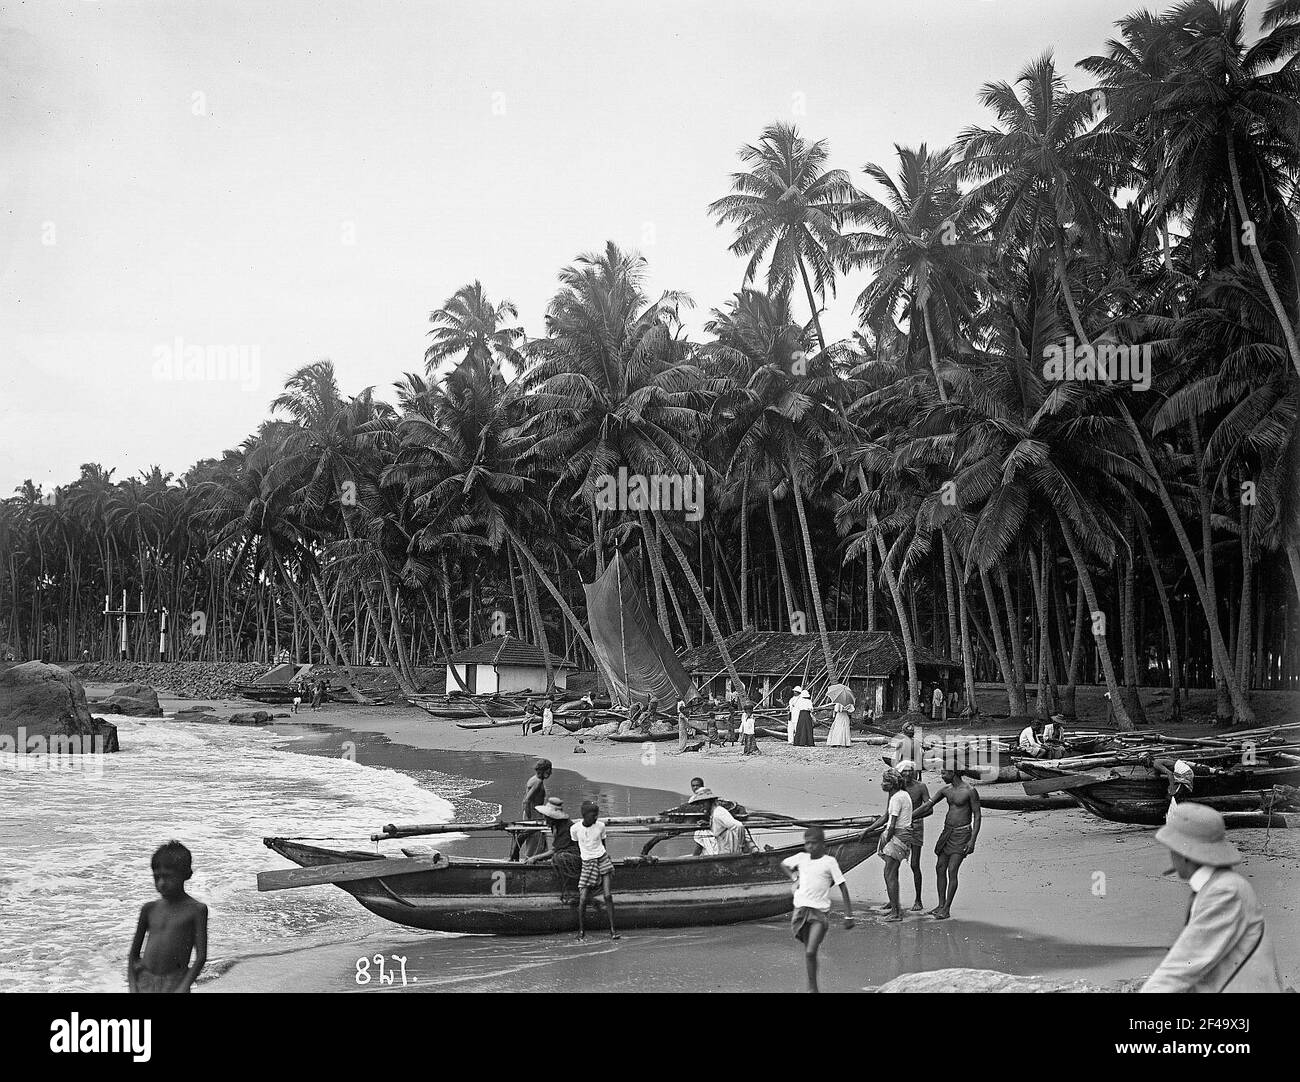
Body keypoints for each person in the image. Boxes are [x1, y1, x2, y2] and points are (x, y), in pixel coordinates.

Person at [1140, 803, 1282, 992]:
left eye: (1172, 849)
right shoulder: (1218, 886)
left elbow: (1182, 967)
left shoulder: (1225, 892)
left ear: (1184, 854)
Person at [781, 825, 854, 993]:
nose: (810, 847)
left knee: (810, 951)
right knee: (809, 951)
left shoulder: (829, 862)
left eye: (814, 843)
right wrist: (794, 877)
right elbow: (784, 864)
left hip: (819, 914)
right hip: (800, 912)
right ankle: (812, 986)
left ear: (823, 844)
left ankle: (812, 989)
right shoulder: (801, 858)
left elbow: (842, 886)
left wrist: (849, 915)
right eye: (807, 843)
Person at [128, 841, 208, 993]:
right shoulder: (149, 909)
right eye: (156, 877)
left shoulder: (197, 910)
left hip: (175, 982)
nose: (161, 883)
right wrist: (133, 987)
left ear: (186, 874)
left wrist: (184, 986)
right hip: (145, 981)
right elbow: (133, 955)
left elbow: (201, 957)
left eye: (168, 877)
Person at [913, 767, 982, 920]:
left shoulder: (970, 791)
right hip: (947, 833)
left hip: (962, 834)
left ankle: (947, 908)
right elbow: (927, 805)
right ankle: (940, 903)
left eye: (944, 773)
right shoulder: (945, 790)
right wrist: (909, 816)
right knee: (940, 867)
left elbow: (977, 815)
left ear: (953, 773)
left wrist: (972, 840)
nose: (942, 775)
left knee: (952, 870)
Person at [868, 769, 913, 921]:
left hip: (897, 836)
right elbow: (887, 817)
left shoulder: (896, 798)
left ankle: (896, 913)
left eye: (885, 781)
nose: (883, 784)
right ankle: (895, 907)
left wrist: (886, 840)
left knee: (889, 874)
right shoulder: (903, 794)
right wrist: (869, 830)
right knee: (892, 873)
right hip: (904, 836)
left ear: (892, 783)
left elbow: (892, 824)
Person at [572, 800, 619, 940]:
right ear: (585, 815)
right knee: (583, 898)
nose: (596, 818)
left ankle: (613, 931)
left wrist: (607, 859)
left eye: (597, 815)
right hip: (587, 862)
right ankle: (581, 931)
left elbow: (603, 845)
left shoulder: (600, 826)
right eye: (593, 815)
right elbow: (576, 847)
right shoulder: (575, 829)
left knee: (608, 895)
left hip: (602, 859)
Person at [524, 797, 582, 902]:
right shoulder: (555, 825)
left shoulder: (566, 827)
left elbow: (555, 850)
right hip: (564, 850)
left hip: (574, 854)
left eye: (547, 817)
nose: (545, 819)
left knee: (559, 858)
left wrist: (535, 857)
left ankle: (573, 890)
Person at [896, 760, 931, 912]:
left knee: (915, 864)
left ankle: (918, 899)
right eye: (905, 771)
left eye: (911, 771)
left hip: (916, 826)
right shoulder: (897, 787)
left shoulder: (921, 787)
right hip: (900, 827)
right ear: (900, 773)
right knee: (894, 864)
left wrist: (911, 816)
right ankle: (894, 899)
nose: (909, 774)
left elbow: (929, 808)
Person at [509, 759, 552, 861]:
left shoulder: (533, 779)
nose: (551, 773)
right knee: (534, 839)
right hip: (534, 813)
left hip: (532, 812)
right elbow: (526, 800)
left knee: (534, 838)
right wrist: (530, 817)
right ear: (544, 771)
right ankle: (530, 858)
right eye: (550, 770)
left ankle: (516, 856)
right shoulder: (538, 782)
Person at [688, 787, 747, 855]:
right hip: (723, 848)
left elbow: (739, 826)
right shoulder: (714, 813)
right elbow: (720, 825)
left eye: (704, 803)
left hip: (728, 850)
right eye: (700, 803)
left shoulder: (718, 813)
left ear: (710, 801)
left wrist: (742, 845)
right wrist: (709, 823)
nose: (702, 806)